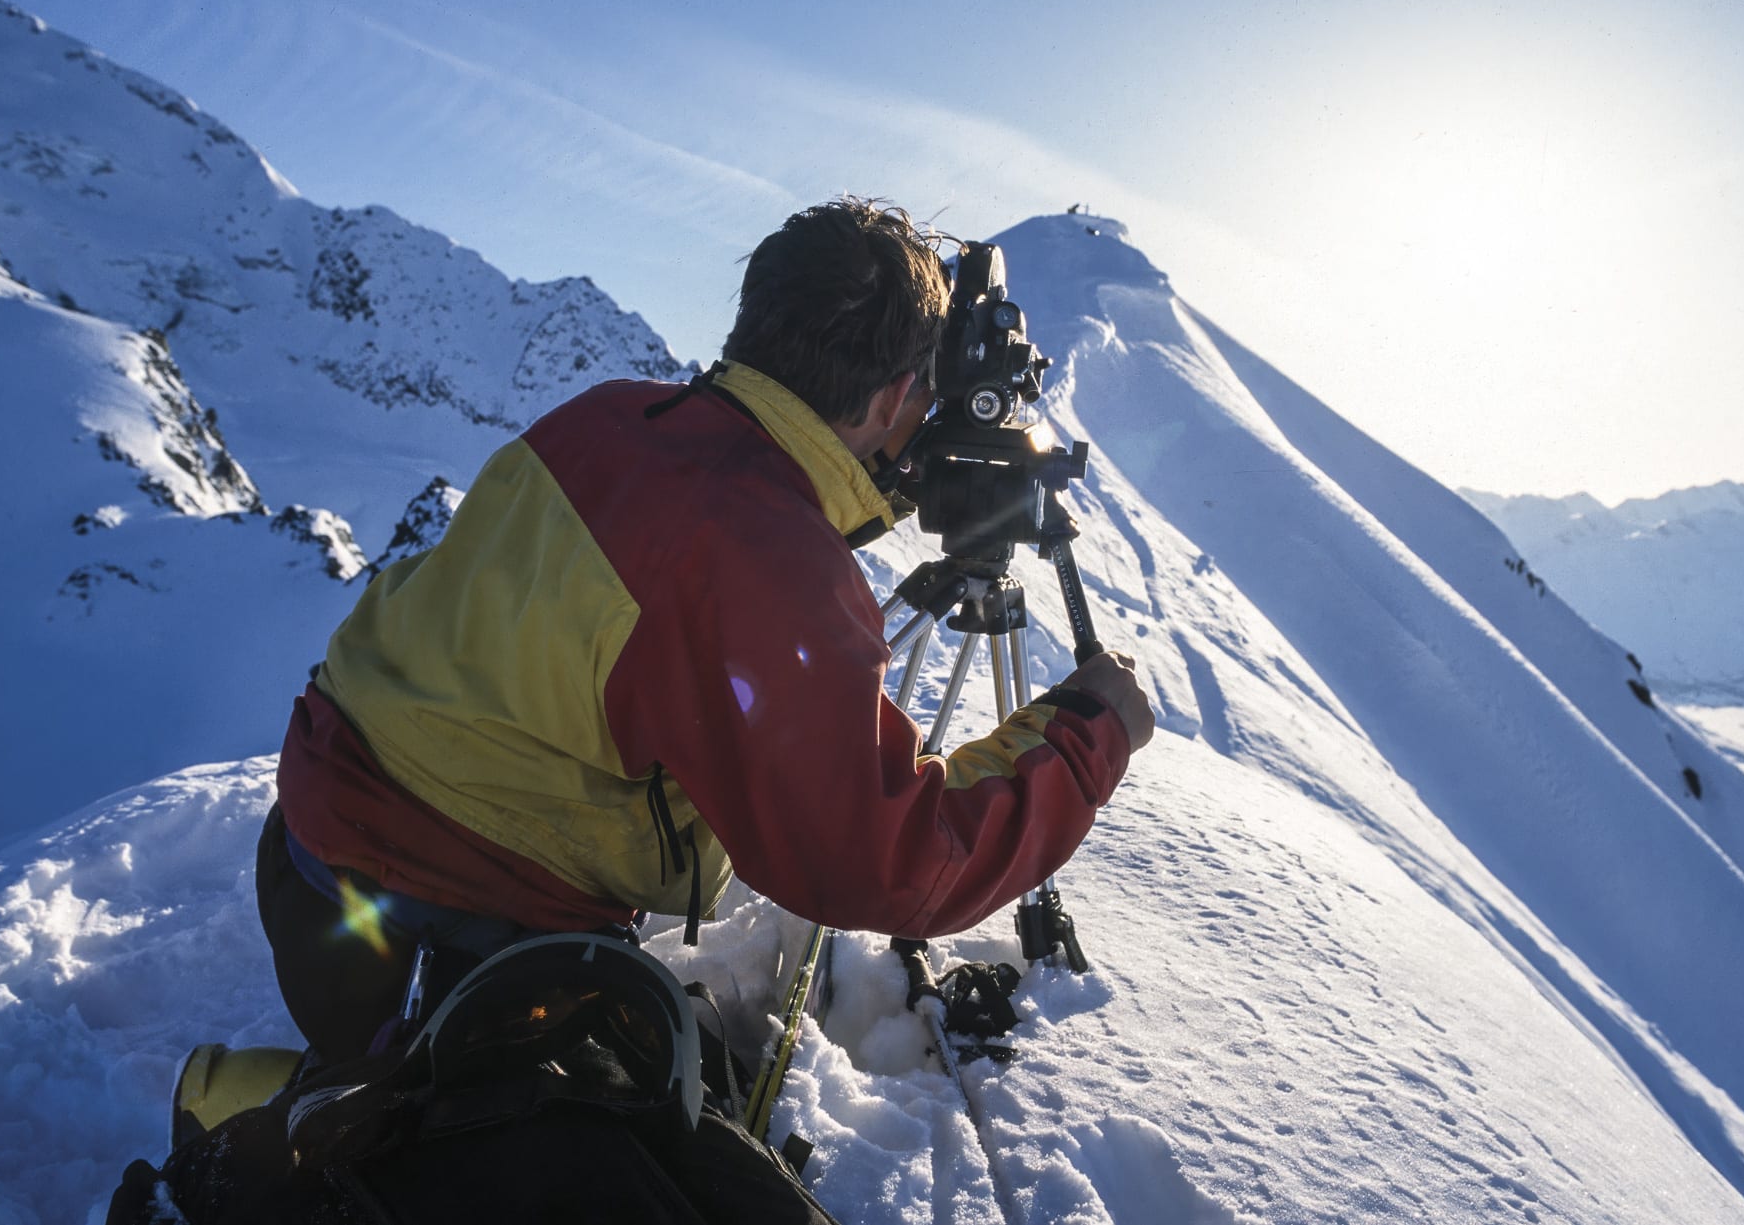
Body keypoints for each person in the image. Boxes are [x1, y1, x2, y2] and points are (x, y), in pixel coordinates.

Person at [256, 197, 1155, 1066]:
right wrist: (1087, 730)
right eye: (924, 393)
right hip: (425, 938)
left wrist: (869, 480)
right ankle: (318, 1107)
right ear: (890, 400)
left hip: (309, 845)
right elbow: (888, 863)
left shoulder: (618, 414)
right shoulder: (761, 556)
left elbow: (690, 552)